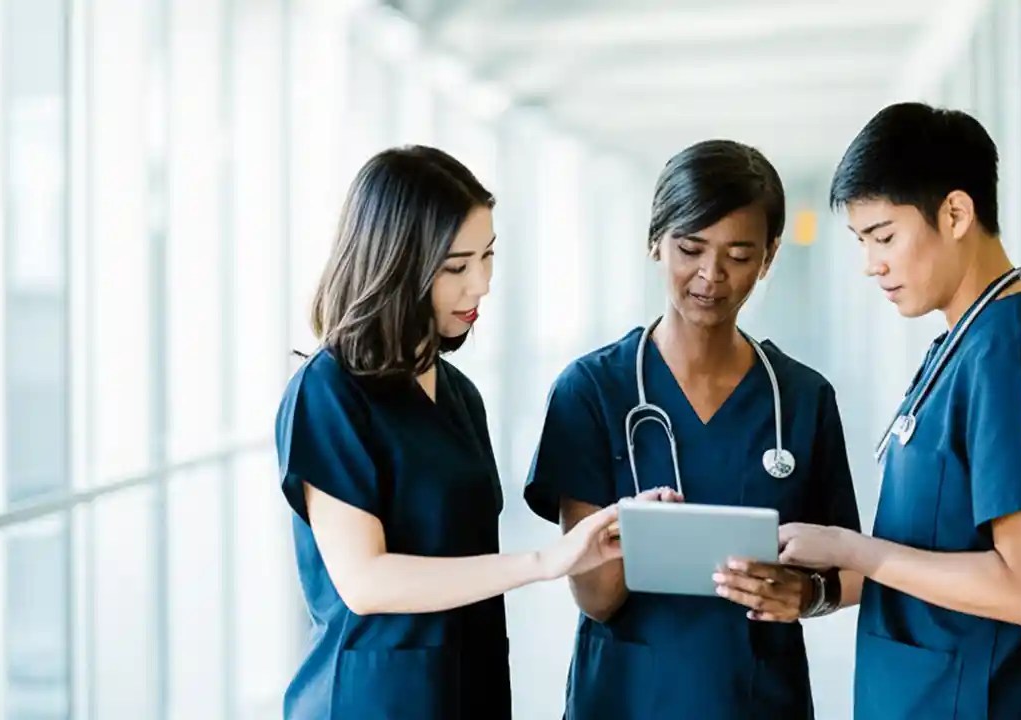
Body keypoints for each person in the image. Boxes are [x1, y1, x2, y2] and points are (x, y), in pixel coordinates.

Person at [274, 146, 626, 720]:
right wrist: (542, 561)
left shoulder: (460, 395)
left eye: (488, 257)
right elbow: (365, 581)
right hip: (375, 702)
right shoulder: (330, 392)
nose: (481, 284)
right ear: (397, 264)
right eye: (456, 267)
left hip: (467, 688)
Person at [524, 139, 861, 719]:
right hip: (627, 699)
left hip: (758, 699)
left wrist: (806, 594)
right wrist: (631, 527)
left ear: (769, 255)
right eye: (690, 247)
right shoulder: (592, 391)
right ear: (655, 241)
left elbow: (847, 567)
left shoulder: (802, 399)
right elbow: (596, 598)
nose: (711, 274)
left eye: (739, 253)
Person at [773, 102, 1021, 719]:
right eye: (861, 242)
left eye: (884, 237)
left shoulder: (1006, 355)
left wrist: (855, 549)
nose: (871, 263)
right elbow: (929, 551)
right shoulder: (961, 343)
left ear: (956, 213)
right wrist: (820, 587)